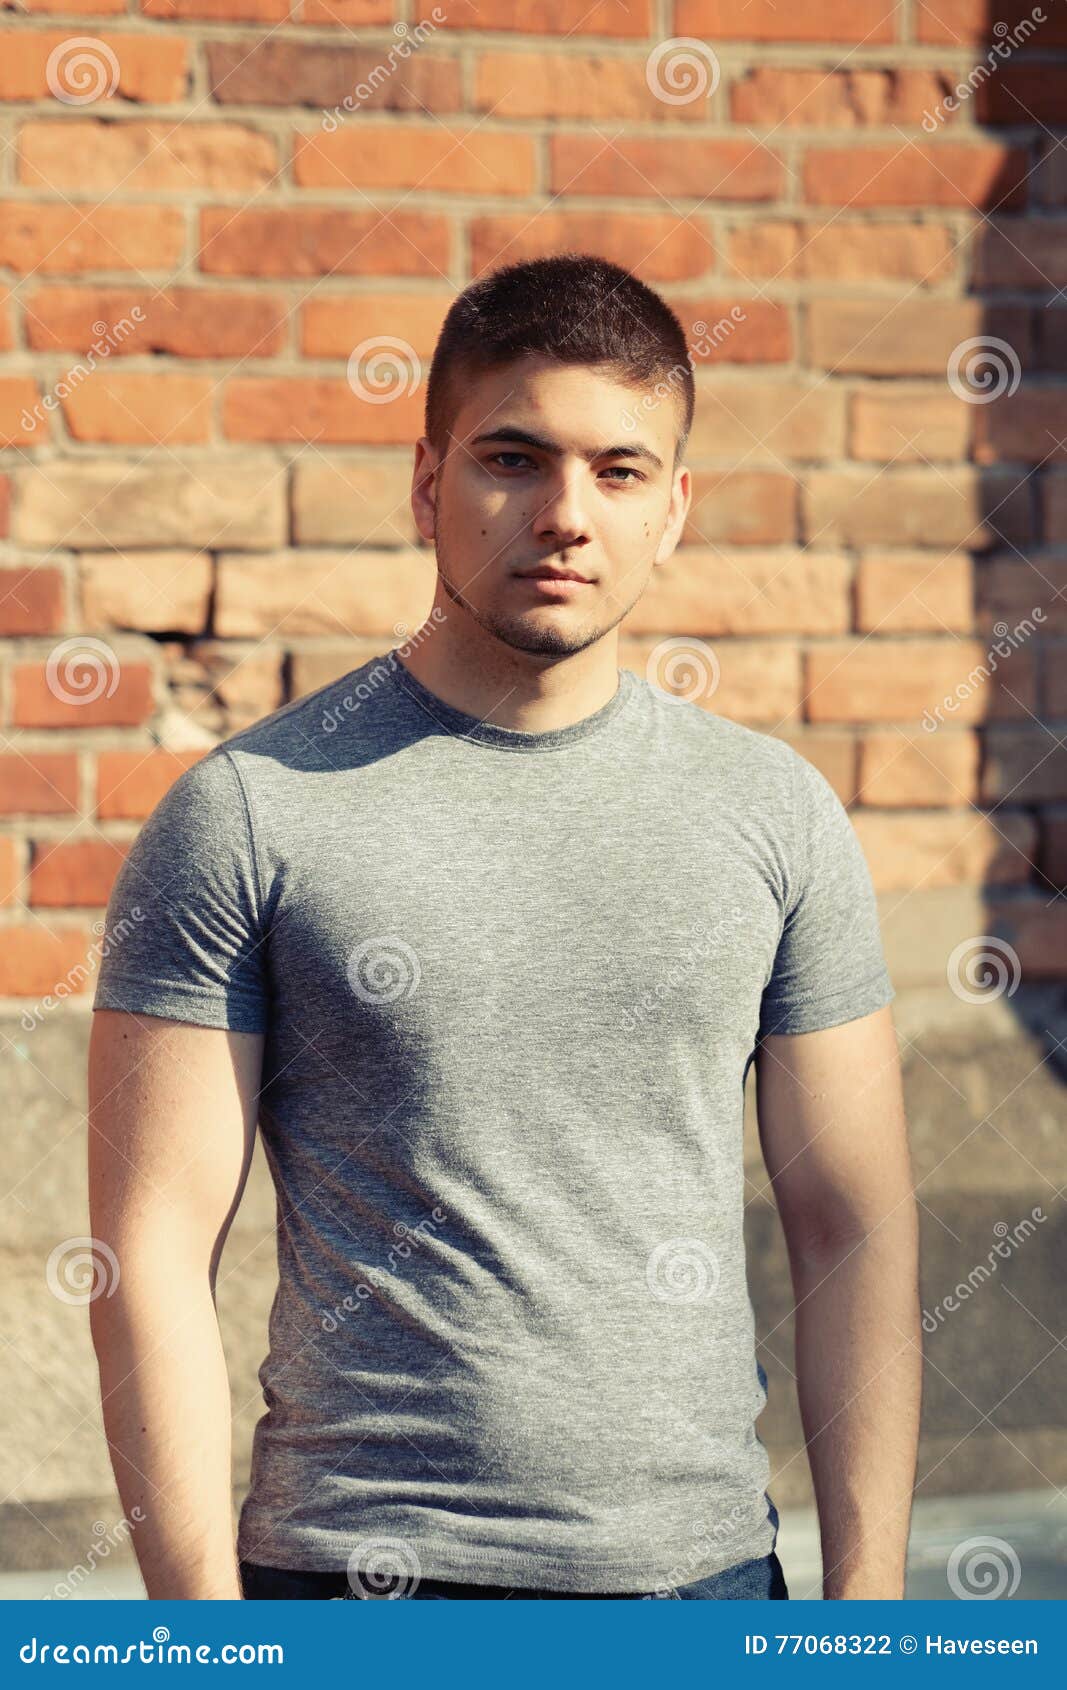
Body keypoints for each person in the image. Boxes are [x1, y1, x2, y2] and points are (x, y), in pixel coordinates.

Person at [87, 253, 921, 1602]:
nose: (565, 514)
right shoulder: (246, 815)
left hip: (700, 1585)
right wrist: (200, 1635)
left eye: (619, 470)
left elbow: (854, 1224)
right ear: (429, 484)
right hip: (359, 1587)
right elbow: (150, 1252)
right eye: (513, 459)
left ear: (677, 508)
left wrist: (866, 1608)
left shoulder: (777, 815)